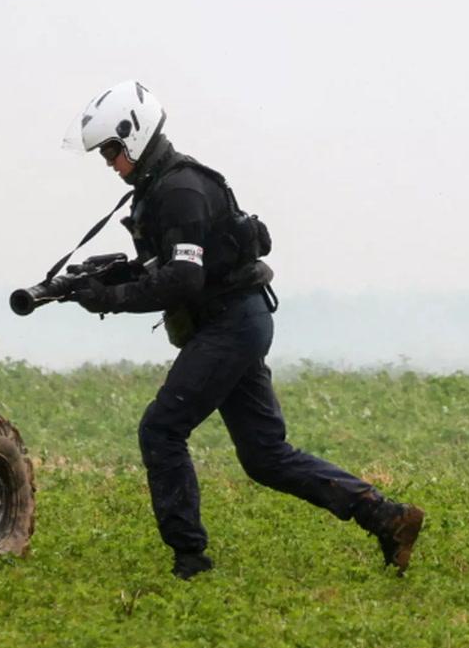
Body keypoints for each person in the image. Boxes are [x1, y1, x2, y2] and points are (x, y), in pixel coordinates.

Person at [55, 81, 423, 579]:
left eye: (112, 151)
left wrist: (111, 299)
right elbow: (168, 266)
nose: (109, 163)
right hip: (235, 322)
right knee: (265, 456)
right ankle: (386, 516)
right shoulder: (159, 189)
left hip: (230, 325)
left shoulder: (180, 190)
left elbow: (183, 279)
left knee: (161, 429)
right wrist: (100, 282)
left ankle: (190, 560)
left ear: (135, 136)